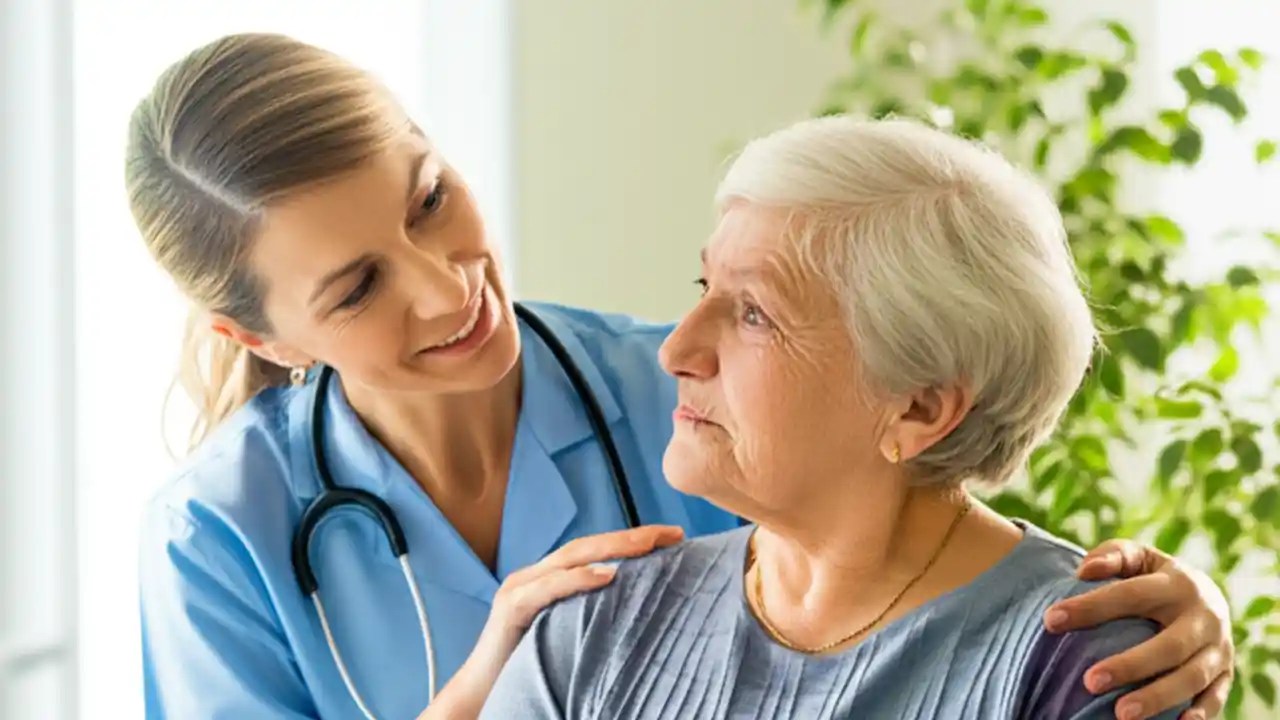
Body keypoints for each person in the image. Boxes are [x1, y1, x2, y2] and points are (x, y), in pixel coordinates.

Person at [127, 34, 1232, 720]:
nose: (446, 285)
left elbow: (923, 537)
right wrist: (487, 682)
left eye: (428, 201)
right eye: (357, 287)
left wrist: (1161, 610)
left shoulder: (688, 396)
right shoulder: (218, 535)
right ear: (263, 339)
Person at [480, 116, 1226, 720]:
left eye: (753, 314)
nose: (676, 349)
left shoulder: (1093, 667)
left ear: (919, 408)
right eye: (704, 284)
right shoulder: (597, 626)